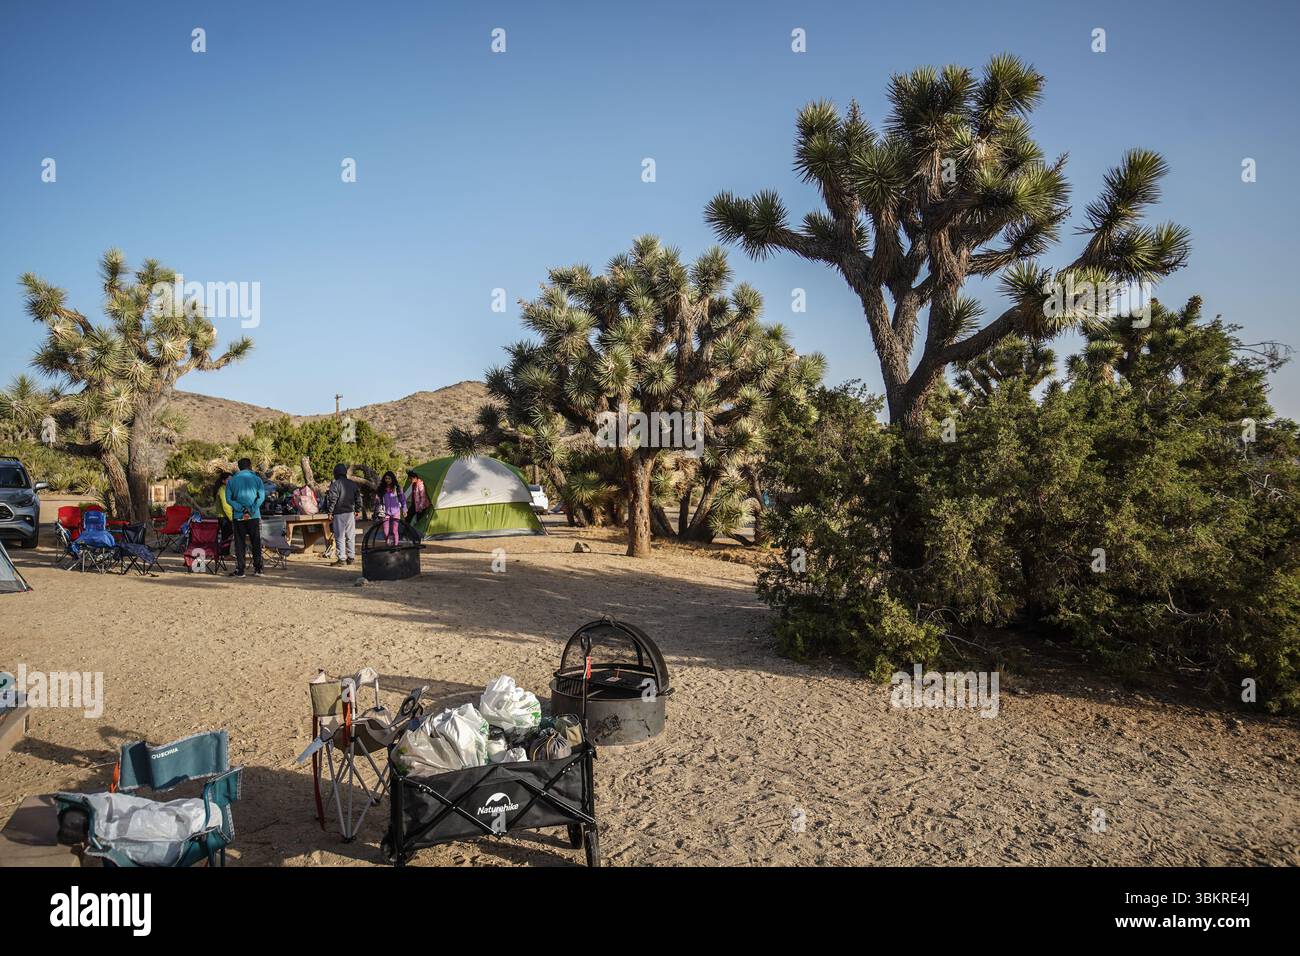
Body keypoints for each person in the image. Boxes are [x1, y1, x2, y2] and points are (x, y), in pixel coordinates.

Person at [224, 458, 266, 577]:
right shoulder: (257, 479)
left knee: (239, 543)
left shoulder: (232, 481)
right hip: (253, 515)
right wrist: (251, 508)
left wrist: (240, 509)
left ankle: (241, 570)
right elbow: (261, 497)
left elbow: (229, 499)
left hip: (238, 516)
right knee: (256, 542)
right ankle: (258, 569)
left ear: (239, 467)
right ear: (250, 466)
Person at [322, 463, 360, 566]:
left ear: (336, 473)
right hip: (350, 513)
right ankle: (351, 558)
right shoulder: (352, 484)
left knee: (340, 536)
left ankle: (342, 559)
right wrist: (357, 509)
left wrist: (330, 512)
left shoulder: (335, 484)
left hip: (339, 513)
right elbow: (358, 497)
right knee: (350, 536)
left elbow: (332, 499)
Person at [377, 471, 405, 545]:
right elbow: (378, 501)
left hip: (396, 512)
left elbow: (402, 499)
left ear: (392, 479)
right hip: (385, 512)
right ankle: (387, 544)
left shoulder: (397, 488)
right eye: (386, 478)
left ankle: (396, 544)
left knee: (395, 530)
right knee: (386, 531)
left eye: (389, 478)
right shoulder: (381, 489)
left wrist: (404, 509)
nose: (387, 480)